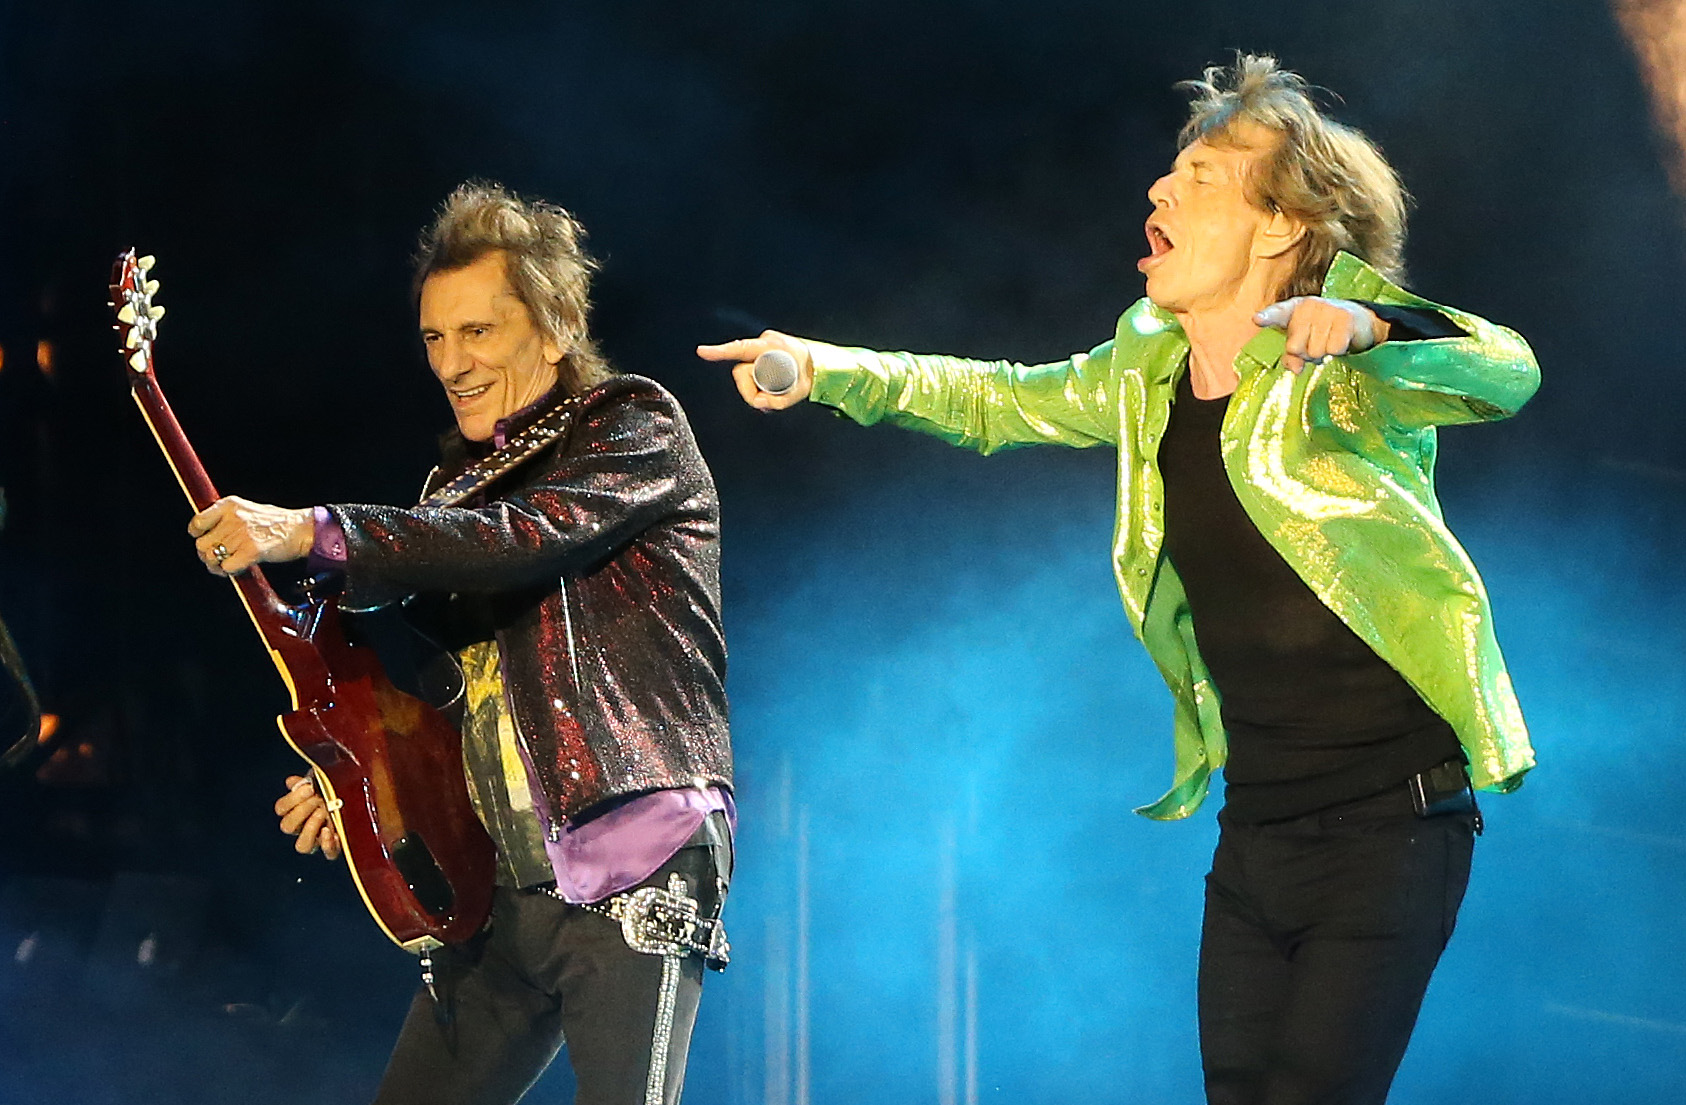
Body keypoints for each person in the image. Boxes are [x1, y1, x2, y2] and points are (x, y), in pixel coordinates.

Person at [699, 56, 1537, 1105]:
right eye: (1166, 176)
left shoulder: (1349, 363)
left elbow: (1506, 367)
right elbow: (997, 401)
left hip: (1392, 828)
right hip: (1256, 835)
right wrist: (828, 368)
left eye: (1198, 177)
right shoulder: (1144, 370)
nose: (1159, 193)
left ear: (1277, 227)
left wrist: (1373, 326)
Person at [188, 182, 734, 1105]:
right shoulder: (453, 484)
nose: (452, 361)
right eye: (436, 337)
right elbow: (458, 698)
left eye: (478, 331)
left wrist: (313, 527)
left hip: (631, 847)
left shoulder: (632, 424)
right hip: (499, 886)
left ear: (555, 325)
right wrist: (373, 789)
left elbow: (522, 538)